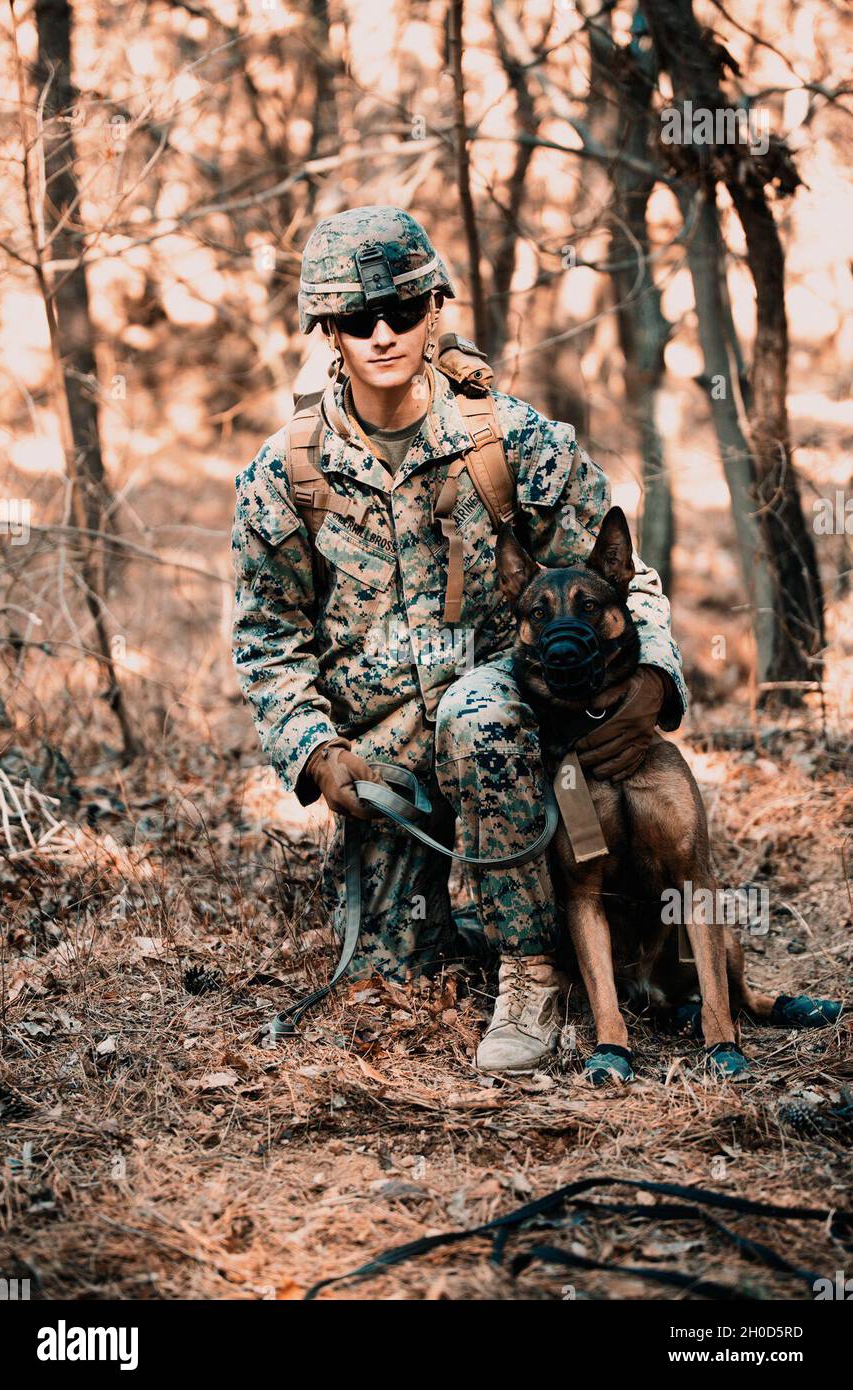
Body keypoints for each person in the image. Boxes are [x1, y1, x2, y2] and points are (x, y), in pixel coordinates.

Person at [231, 205, 686, 1073]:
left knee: (481, 712)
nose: (383, 334)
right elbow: (266, 639)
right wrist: (318, 751)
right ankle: (495, 915)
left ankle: (533, 973)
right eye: (358, 320)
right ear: (329, 329)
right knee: (392, 975)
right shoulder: (286, 475)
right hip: (387, 764)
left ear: (434, 310)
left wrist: (653, 678)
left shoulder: (511, 442)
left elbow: (622, 577)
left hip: (510, 730)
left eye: (403, 311)